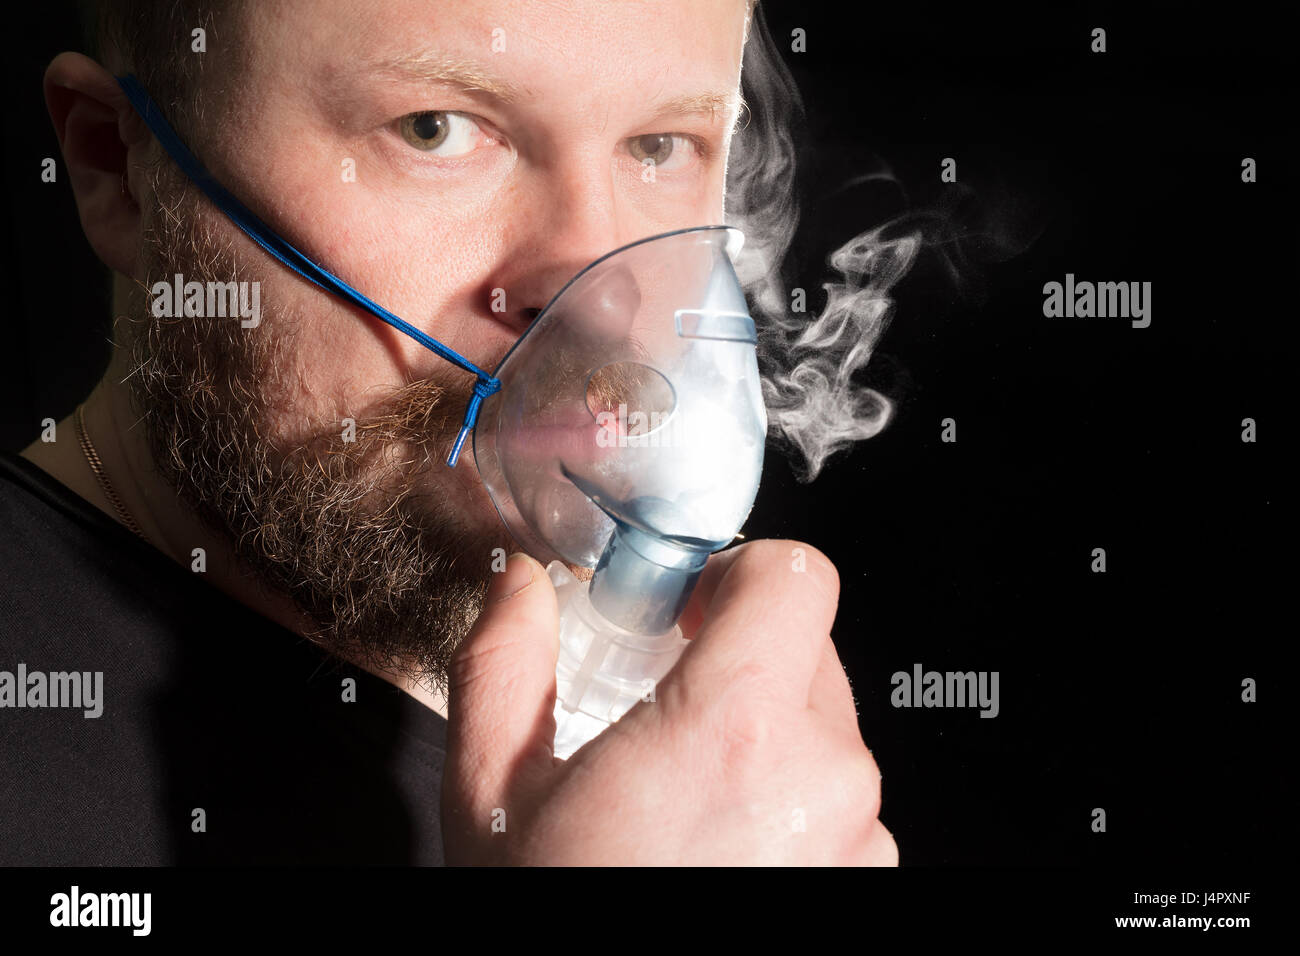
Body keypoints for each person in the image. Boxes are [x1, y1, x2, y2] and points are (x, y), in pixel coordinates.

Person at [1, 0, 896, 865]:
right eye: (435, 127)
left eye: (659, 146)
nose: (603, 298)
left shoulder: (723, 777)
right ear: (119, 168)